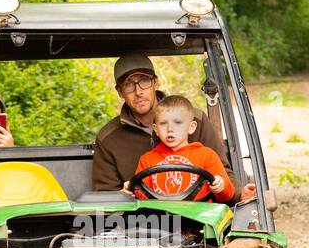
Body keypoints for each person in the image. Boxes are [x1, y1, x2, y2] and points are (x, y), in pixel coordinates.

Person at [91, 54, 229, 191]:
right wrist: (124, 195)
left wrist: (241, 194)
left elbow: (223, 174)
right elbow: (106, 194)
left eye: (144, 81)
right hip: (142, 212)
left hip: (198, 209)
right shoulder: (108, 138)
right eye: (128, 85)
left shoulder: (194, 119)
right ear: (120, 92)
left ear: (156, 83)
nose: (138, 91)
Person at [130, 95, 257, 204]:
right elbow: (141, 196)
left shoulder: (206, 156)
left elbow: (227, 195)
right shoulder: (147, 159)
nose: (170, 129)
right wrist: (132, 189)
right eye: (163, 123)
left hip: (200, 220)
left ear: (191, 127)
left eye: (178, 123)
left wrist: (220, 186)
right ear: (156, 129)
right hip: (161, 221)